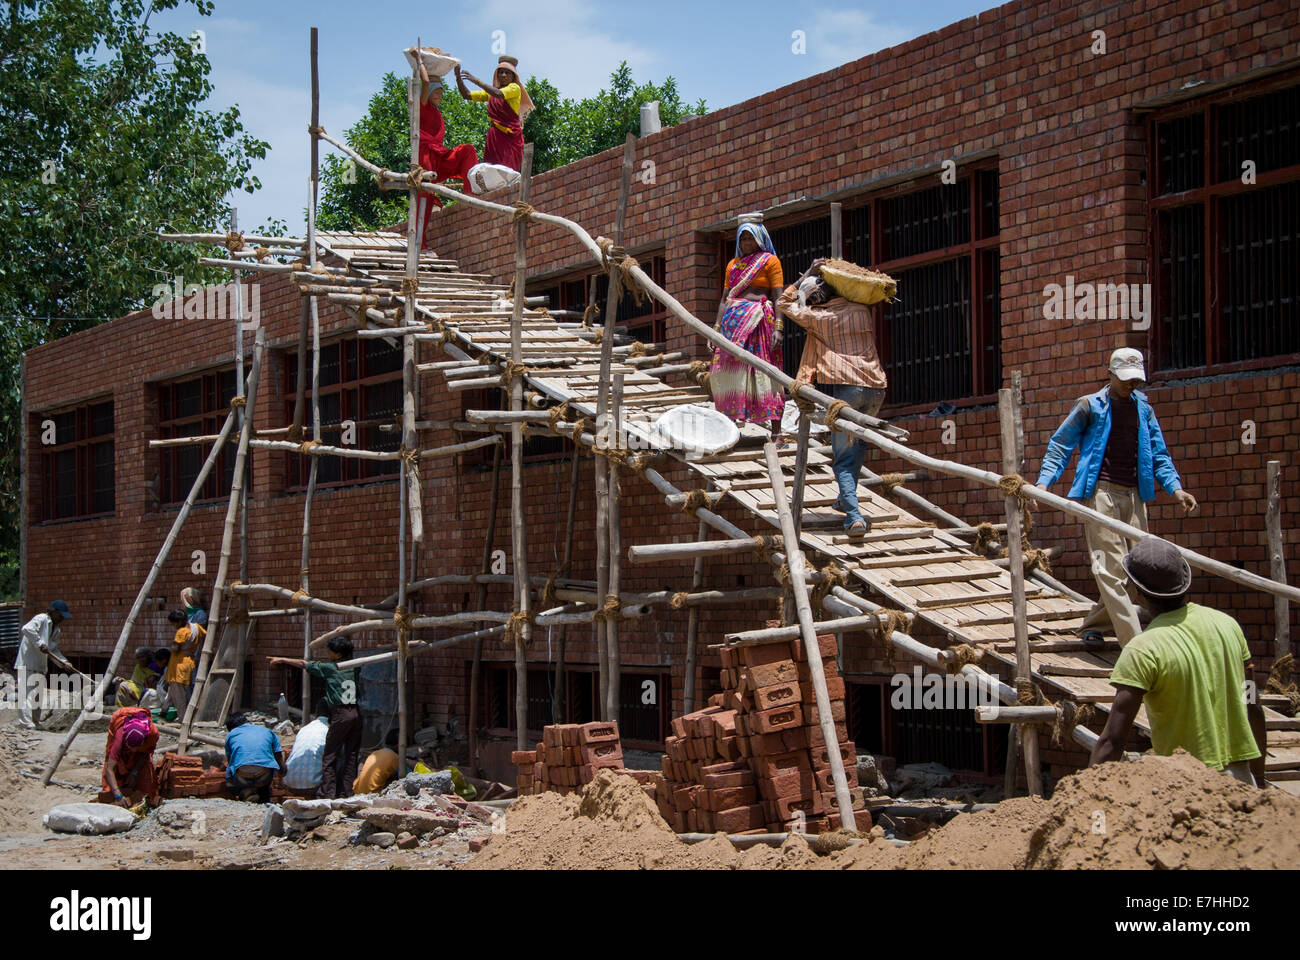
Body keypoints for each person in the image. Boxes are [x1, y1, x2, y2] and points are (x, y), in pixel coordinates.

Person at [1034, 348, 1197, 645]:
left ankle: (1092, 626)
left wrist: (1175, 488)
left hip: (1134, 496)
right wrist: (1044, 483)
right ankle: (1133, 644)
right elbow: (1061, 445)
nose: (1131, 385)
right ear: (1110, 373)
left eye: (1136, 380)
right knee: (1109, 569)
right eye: (1125, 379)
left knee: (1139, 569)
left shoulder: (1143, 409)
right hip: (1102, 494)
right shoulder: (1089, 406)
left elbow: (1159, 454)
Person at [1089, 537, 1264, 785]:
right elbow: (1253, 704)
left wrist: (1086, 804)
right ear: (1184, 580)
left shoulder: (1142, 649)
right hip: (1242, 781)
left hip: (1188, 789)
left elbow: (1112, 741)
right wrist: (1259, 778)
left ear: (1137, 591)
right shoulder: (1228, 625)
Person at [776, 258, 888, 538]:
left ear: (814, 300)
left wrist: (808, 274)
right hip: (876, 388)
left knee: (841, 458)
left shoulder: (820, 318)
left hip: (847, 391)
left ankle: (854, 517)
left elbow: (783, 303)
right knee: (857, 446)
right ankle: (844, 497)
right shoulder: (863, 311)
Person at [709, 220, 786, 433]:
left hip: (759, 321)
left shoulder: (770, 261)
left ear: (760, 239)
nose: (745, 242)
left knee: (764, 370)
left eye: (750, 237)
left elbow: (779, 296)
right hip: (731, 324)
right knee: (727, 372)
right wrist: (715, 329)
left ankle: (777, 432)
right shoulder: (732, 265)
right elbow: (725, 299)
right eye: (742, 238)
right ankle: (729, 429)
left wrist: (779, 326)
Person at [269, 638, 360, 799]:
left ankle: (328, 793)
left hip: (340, 714)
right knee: (351, 754)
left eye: (330, 651)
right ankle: (347, 791)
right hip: (355, 713)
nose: (327, 654)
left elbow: (304, 664)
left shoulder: (331, 668)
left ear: (337, 653)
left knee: (329, 755)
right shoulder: (355, 666)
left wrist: (282, 659)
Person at [415, 67, 479, 247]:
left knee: (467, 150)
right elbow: (425, 82)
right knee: (424, 199)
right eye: (436, 91)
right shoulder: (423, 107)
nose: (439, 95)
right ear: (427, 93)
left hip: (439, 157)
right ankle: (421, 244)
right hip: (426, 159)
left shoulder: (437, 112)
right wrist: (419, 61)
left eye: (441, 92)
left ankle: (469, 194)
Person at [454, 56, 533, 171]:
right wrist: (458, 78)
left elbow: (498, 94)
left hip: (510, 137)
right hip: (495, 137)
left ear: (513, 76)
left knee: (507, 170)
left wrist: (476, 81)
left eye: (507, 73)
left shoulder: (514, 88)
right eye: (501, 72)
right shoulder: (490, 92)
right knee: (492, 171)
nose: (504, 75)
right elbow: (467, 95)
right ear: (497, 75)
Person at [15, 600, 72, 728]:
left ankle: (35, 721)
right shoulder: (42, 618)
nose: (62, 618)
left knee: (37, 696)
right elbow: (27, 629)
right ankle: (25, 723)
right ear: (54, 612)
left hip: (40, 665)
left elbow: (53, 650)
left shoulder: (56, 630)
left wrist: (63, 662)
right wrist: (40, 644)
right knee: (26, 694)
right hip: (28, 663)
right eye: (60, 615)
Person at [98, 705, 160, 807]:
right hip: (122, 749)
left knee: (145, 783)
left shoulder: (152, 734)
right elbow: (110, 769)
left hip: (141, 752)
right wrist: (118, 795)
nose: (133, 750)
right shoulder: (120, 737)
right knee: (112, 786)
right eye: (130, 747)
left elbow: (146, 753)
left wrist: (135, 773)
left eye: (136, 748)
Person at [224, 713, 286, 803]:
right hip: (264, 776)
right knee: (270, 766)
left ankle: (245, 791)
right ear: (247, 721)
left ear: (231, 728)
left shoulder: (231, 735)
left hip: (242, 777)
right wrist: (282, 773)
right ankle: (264, 798)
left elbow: (230, 762)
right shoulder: (267, 731)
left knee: (230, 773)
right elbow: (279, 759)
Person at [163, 609, 199, 713]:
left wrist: (173, 646)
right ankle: (164, 711)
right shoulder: (195, 627)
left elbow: (175, 648)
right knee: (173, 691)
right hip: (189, 662)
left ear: (178, 622)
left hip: (178, 666)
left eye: (173, 624)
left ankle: (184, 719)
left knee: (179, 696)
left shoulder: (181, 631)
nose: (173, 626)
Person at [353, 729, 400, 794]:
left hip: (358, 792)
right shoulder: (395, 757)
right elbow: (410, 773)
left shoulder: (375, 753)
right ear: (398, 746)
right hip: (374, 794)